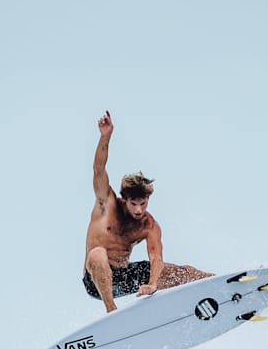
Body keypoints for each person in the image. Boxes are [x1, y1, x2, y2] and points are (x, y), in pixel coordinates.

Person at [83, 110, 210, 312]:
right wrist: (105, 136)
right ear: (124, 199)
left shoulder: (148, 225)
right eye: (134, 204)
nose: (139, 210)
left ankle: (224, 283)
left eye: (143, 203)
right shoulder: (106, 203)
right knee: (97, 254)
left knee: (183, 272)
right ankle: (112, 311)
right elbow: (99, 168)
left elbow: (155, 258)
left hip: (125, 276)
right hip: (95, 282)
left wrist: (152, 284)